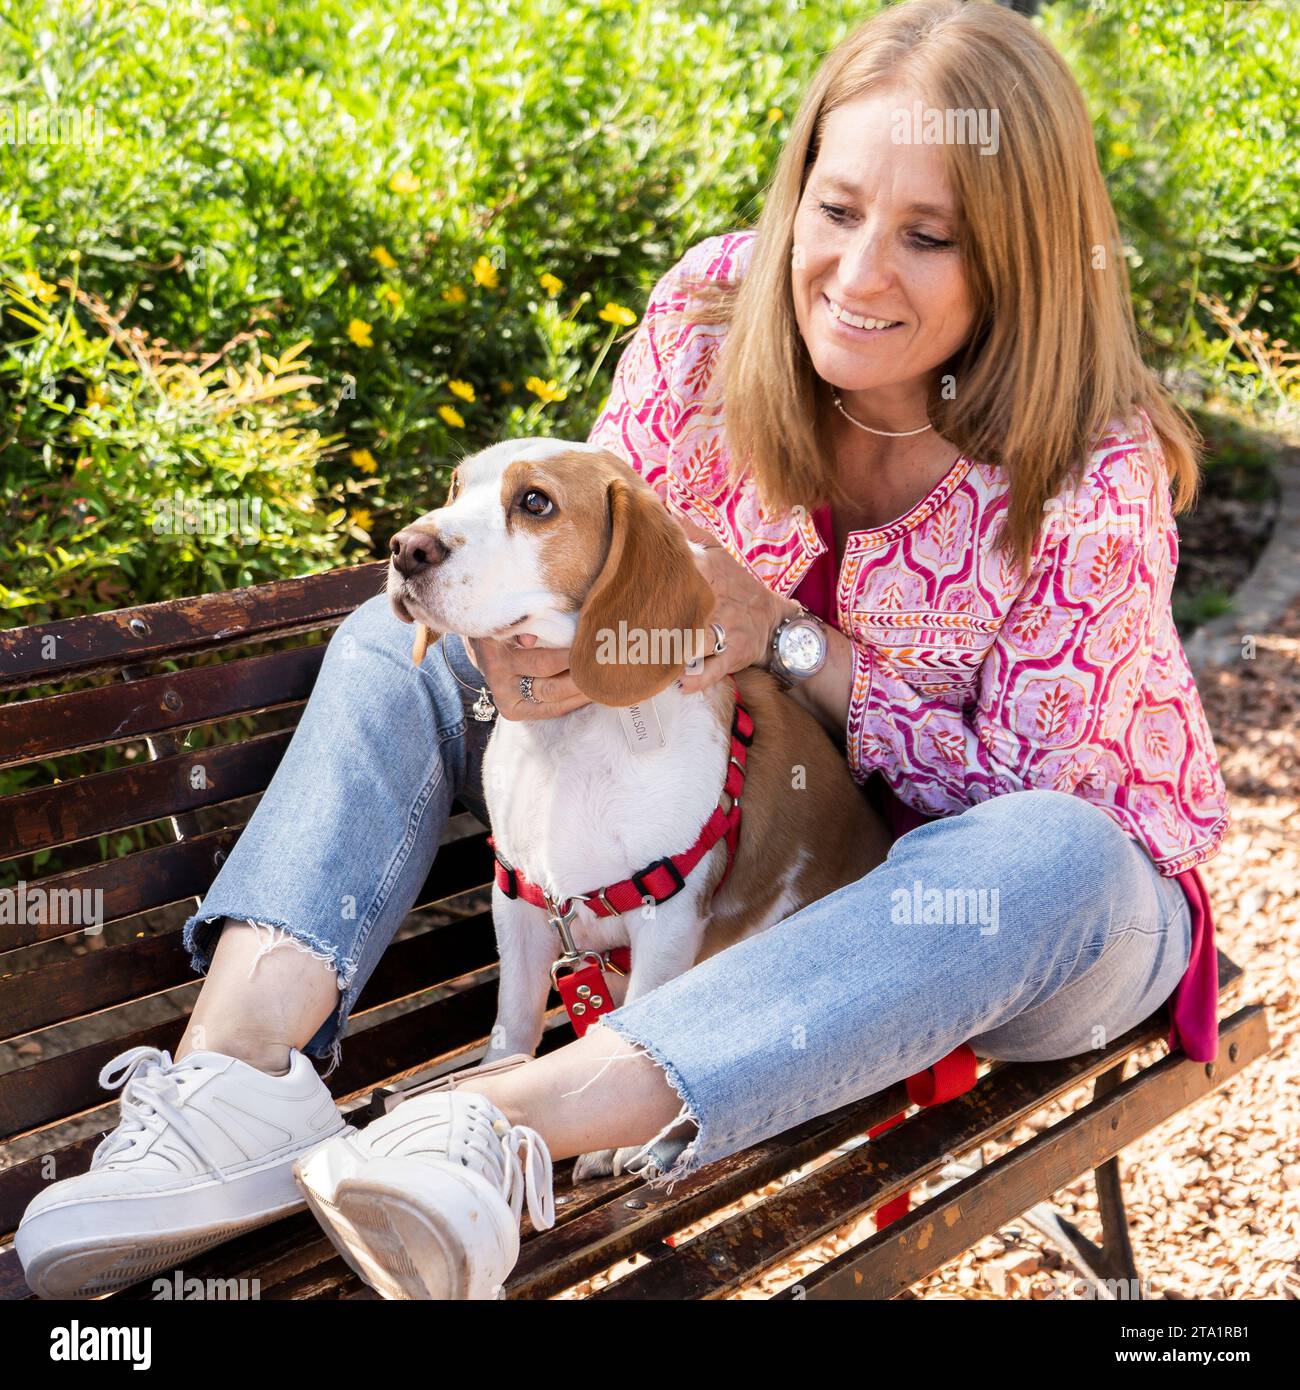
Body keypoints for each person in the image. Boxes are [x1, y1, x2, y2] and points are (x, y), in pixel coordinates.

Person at [16, 0, 1229, 1301]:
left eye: (927, 237)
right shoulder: (713, 311)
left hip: (1028, 928)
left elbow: (1044, 802)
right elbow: (588, 598)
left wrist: (792, 641)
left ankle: (497, 1121)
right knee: (407, 634)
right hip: (715, 878)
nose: (858, 272)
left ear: (1024, 266)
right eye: (835, 208)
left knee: (1052, 854)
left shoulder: (1087, 469)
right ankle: (240, 1080)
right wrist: (547, 660)